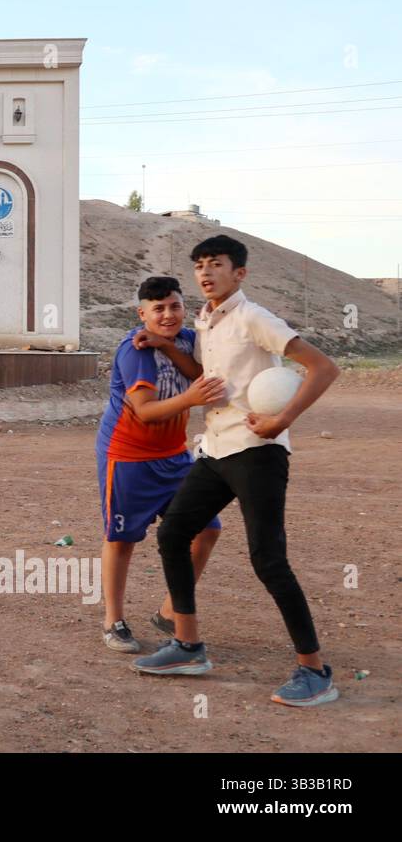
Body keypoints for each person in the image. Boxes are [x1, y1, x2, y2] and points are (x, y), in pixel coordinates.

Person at [132, 235, 342, 708]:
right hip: (216, 448)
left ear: (239, 273)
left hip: (257, 451)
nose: (206, 273)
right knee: (173, 534)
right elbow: (205, 381)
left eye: (217, 264)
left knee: (268, 559)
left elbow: (323, 368)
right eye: (200, 266)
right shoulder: (207, 319)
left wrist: (281, 421)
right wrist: (166, 345)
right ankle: (187, 646)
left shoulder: (253, 317)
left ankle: (315, 671)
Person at [95, 275, 227, 653]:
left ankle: (170, 609)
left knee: (207, 528)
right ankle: (113, 621)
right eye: (158, 309)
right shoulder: (135, 350)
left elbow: (195, 372)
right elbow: (146, 411)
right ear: (142, 314)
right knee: (122, 539)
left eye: (174, 306)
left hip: (175, 456)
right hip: (128, 458)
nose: (168, 315)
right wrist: (192, 398)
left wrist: (168, 347)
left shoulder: (185, 340)